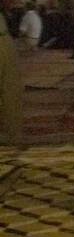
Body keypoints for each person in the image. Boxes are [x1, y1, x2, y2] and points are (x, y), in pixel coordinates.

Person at [0, 10, 23, 145]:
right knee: (10, 92)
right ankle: (13, 136)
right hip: (4, 38)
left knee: (10, 92)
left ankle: (12, 136)